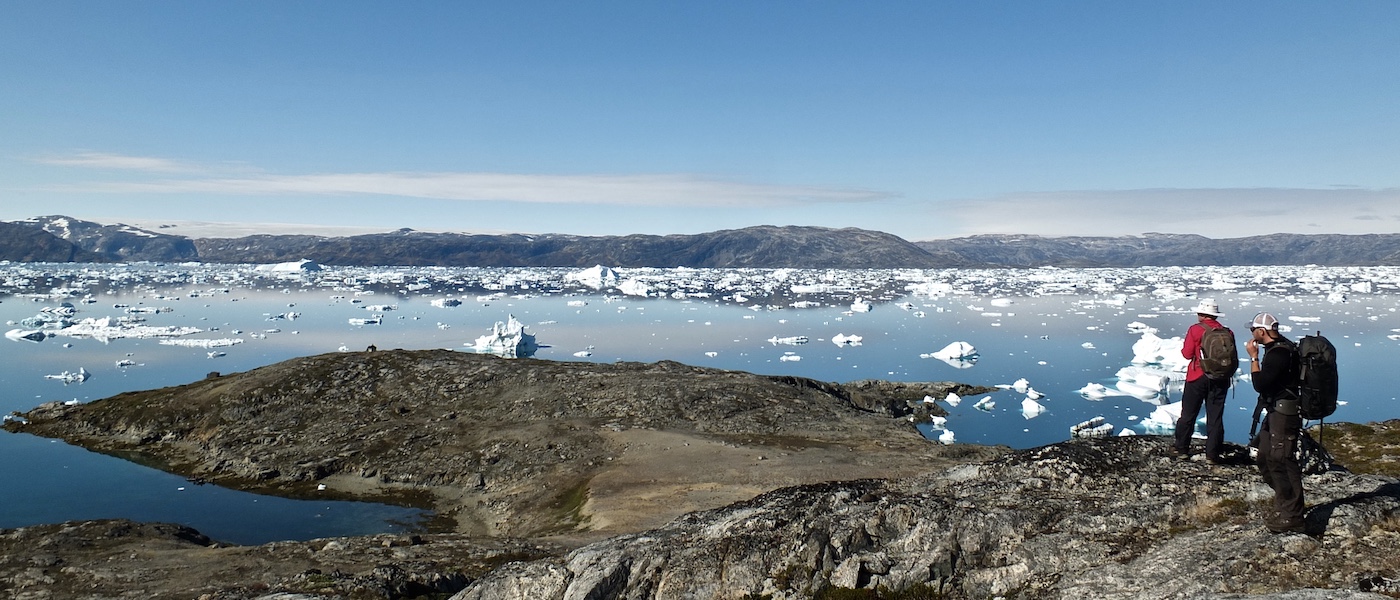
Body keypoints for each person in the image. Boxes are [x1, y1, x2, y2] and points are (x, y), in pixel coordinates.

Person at [1246, 311, 1306, 534]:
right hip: (1276, 411)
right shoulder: (1283, 347)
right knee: (1265, 456)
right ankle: (1285, 503)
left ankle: (1293, 515)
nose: (1252, 333)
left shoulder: (1278, 354)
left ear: (1262, 331)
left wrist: (1253, 358)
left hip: (1283, 414)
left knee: (1281, 460)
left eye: (1253, 330)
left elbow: (1260, 384)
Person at [1172, 299, 1233, 462]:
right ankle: (1212, 454)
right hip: (1220, 378)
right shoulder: (1227, 332)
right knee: (1215, 417)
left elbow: (1187, 354)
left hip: (1197, 377)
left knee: (1188, 414)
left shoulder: (1195, 330)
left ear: (1201, 314)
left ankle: (1181, 449)